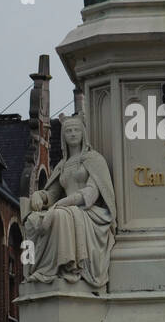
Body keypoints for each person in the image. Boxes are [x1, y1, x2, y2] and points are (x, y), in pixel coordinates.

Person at [23, 115, 116, 290]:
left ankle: (64, 267)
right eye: (68, 131)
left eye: (76, 130)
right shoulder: (62, 165)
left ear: (83, 134)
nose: (72, 134)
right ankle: (31, 270)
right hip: (67, 208)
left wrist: (63, 203)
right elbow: (53, 193)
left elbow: (91, 192)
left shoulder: (94, 159)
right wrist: (39, 196)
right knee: (31, 221)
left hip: (89, 211)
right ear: (63, 136)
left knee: (59, 216)